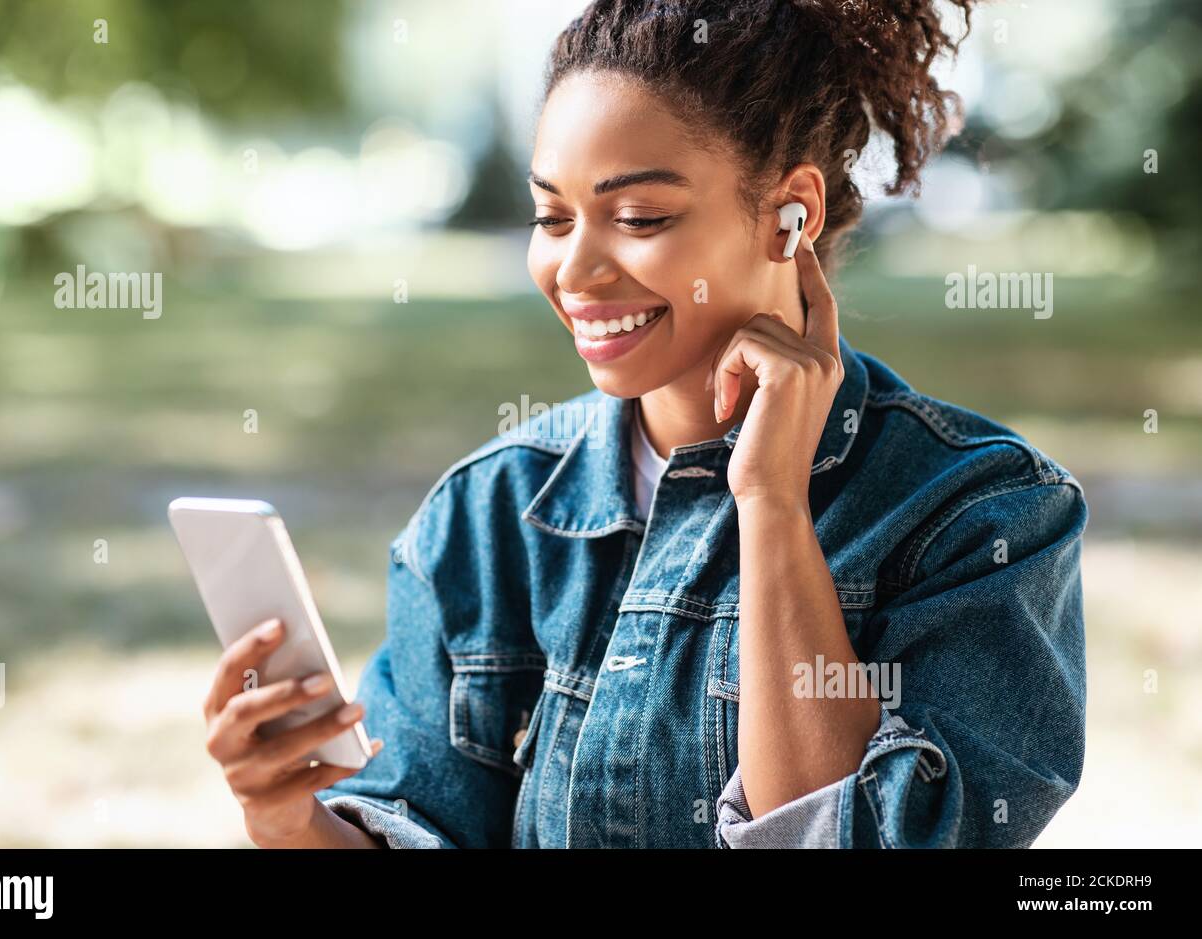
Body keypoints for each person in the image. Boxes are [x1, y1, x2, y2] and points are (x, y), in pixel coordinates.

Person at [203, 0, 1088, 848]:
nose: (575, 270)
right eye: (552, 215)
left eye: (638, 217)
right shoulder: (485, 517)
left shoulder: (985, 517)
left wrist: (772, 503)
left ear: (794, 215)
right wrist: (289, 822)